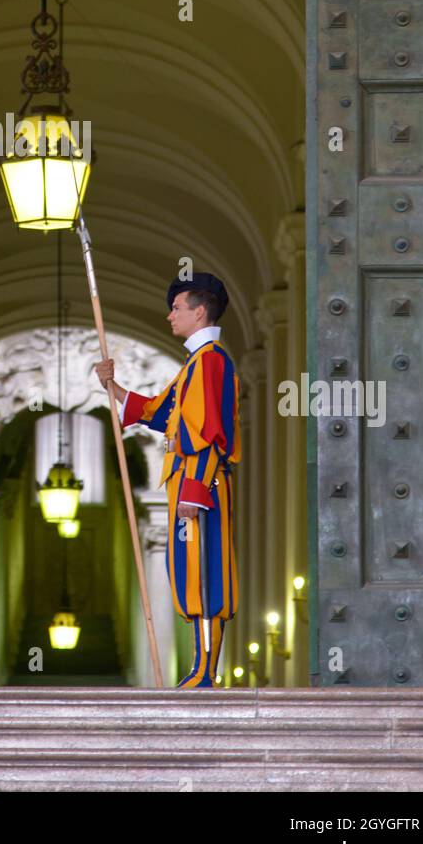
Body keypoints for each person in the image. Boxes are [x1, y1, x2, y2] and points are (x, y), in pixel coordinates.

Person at [95, 272, 241, 688]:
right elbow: (162, 414)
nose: (169, 316)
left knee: (206, 575)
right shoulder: (195, 365)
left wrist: (194, 491)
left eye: (176, 308)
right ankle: (201, 668)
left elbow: (210, 432)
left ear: (199, 311)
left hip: (203, 487)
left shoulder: (210, 361)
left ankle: (206, 672)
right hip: (191, 486)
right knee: (188, 572)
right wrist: (114, 387)